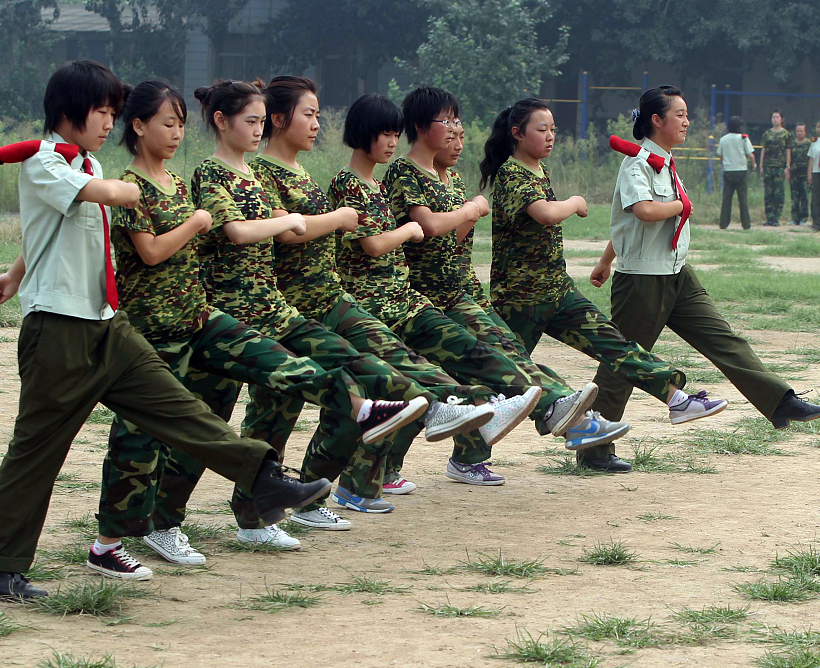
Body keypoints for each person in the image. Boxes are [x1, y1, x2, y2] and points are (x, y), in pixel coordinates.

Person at [0, 61, 331, 599]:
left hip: (107, 324)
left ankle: (261, 477)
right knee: (38, 450)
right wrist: (132, 190)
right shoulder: (43, 163)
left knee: (177, 408)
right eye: (102, 112)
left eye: (114, 113)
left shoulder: (85, 162)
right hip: (58, 334)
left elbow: (44, 230)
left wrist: (13, 272)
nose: (108, 122)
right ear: (70, 112)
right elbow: (110, 197)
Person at [92, 80, 431, 568]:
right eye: (168, 123)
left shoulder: (198, 181)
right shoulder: (147, 184)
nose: (175, 133)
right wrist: (207, 222)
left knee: (271, 375)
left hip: (203, 316)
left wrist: (295, 220)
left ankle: (354, 409)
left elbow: (262, 227)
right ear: (140, 125)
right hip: (155, 333)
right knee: (153, 438)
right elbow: (156, 250)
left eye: (179, 124)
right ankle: (136, 533)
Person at [246, 76, 519, 515]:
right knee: (273, 416)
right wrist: (338, 218)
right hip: (290, 308)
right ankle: (256, 505)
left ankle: (310, 492)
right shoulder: (264, 173)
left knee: (362, 388)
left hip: (325, 302)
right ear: (279, 120)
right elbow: (290, 228)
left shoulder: (306, 177)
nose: (317, 124)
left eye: (318, 115)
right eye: (309, 114)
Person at [587, 86, 820, 473]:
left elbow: (627, 223)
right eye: (679, 114)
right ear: (656, 120)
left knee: (724, 338)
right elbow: (642, 211)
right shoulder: (636, 165)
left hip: (677, 273)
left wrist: (604, 260)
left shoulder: (663, 162)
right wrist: (680, 205)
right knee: (622, 363)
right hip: (643, 282)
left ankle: (780, 400)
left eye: (686, 114)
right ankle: (594, 446)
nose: (686, 121)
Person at [482, 97, 727, 469]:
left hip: (557, 292)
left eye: (553, 130)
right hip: (520, 301)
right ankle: (462, 454)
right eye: (541, 130)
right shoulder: (511, 174)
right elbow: (546, 214)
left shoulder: (538, 171)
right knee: (500, 379)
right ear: (517, 133)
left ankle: (676, 398)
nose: (550, 137)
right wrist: (576, 201)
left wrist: (602, 258)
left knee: (614, 343)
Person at [383, 86, 608, 483]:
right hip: (428, 297)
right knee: (459, 372)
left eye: (458, 124)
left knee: (487, 360)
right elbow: (429, 227)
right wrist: (469, 209)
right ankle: (555, 410)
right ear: (420, 126)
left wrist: (465, 214)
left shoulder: (448, 178)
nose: (456, 132)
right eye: (448, 123)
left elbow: (451, 240)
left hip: (460, 290)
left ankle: (561, 411)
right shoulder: (404, 172)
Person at [716, 115, 754, 229]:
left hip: (728, 171)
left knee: (727, 198)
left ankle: (723, 224)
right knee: (743, 198)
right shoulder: (743, 138)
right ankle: (746, 225)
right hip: (741, 170)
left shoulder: (723, 139)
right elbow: (750, 154)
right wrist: (754, 164)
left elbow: (720, 156)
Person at [758, 109, 791, 227]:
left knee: (778, 193)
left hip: (779, 166)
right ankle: (769, 217)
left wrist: (787, 166)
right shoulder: (767, 134)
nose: (775, 119)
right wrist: (761, 165)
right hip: (768, 166)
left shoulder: (786, 134)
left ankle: (777, 217)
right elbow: (764, 149)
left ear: (781, 119)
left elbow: (788, 150)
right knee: (768, 193)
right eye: (773, 117)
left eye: (777, 117)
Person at [788, 122, 811, 225]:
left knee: (805, 196)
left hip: (805, 174)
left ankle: (804, 218)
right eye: (798, 131)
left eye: (801, 131)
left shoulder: (809, 144)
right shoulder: (792, 143)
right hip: (794, 173)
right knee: (794, 197)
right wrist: (788, 169)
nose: (799, 133)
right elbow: (789, 158)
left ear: (805, 132)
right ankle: (795, 218)